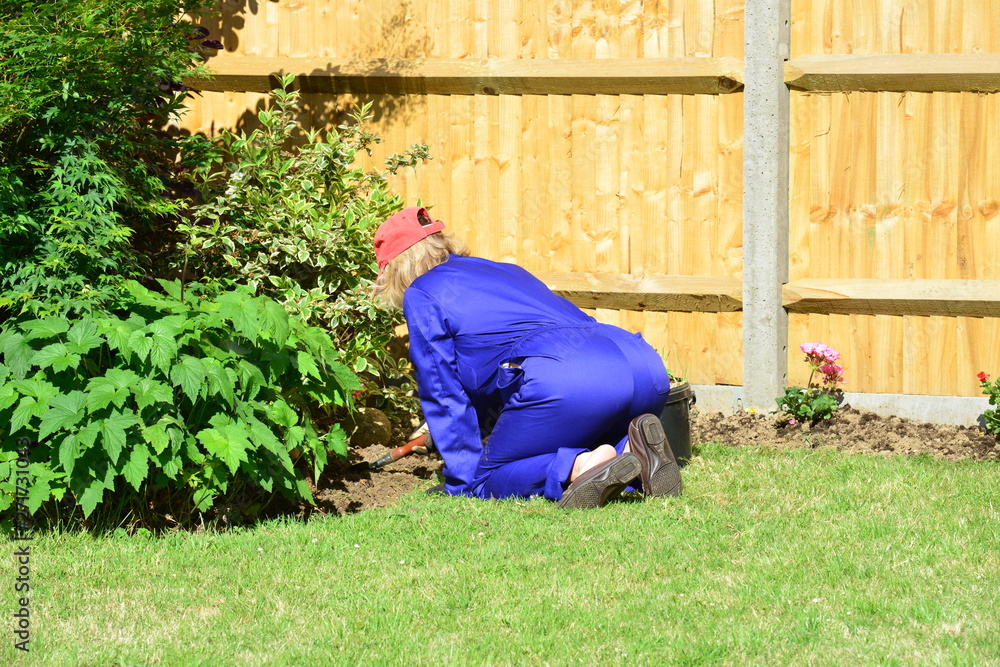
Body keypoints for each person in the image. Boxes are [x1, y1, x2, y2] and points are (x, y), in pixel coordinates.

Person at [372, 206, 682, 509]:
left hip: (572, 378)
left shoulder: (422, 292)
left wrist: (464, 481)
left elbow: (441, 390)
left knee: (486, 479)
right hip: (641, 364)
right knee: (567, 434)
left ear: (396, 269)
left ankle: (581, 465)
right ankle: (630, 449)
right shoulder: (504, 270)